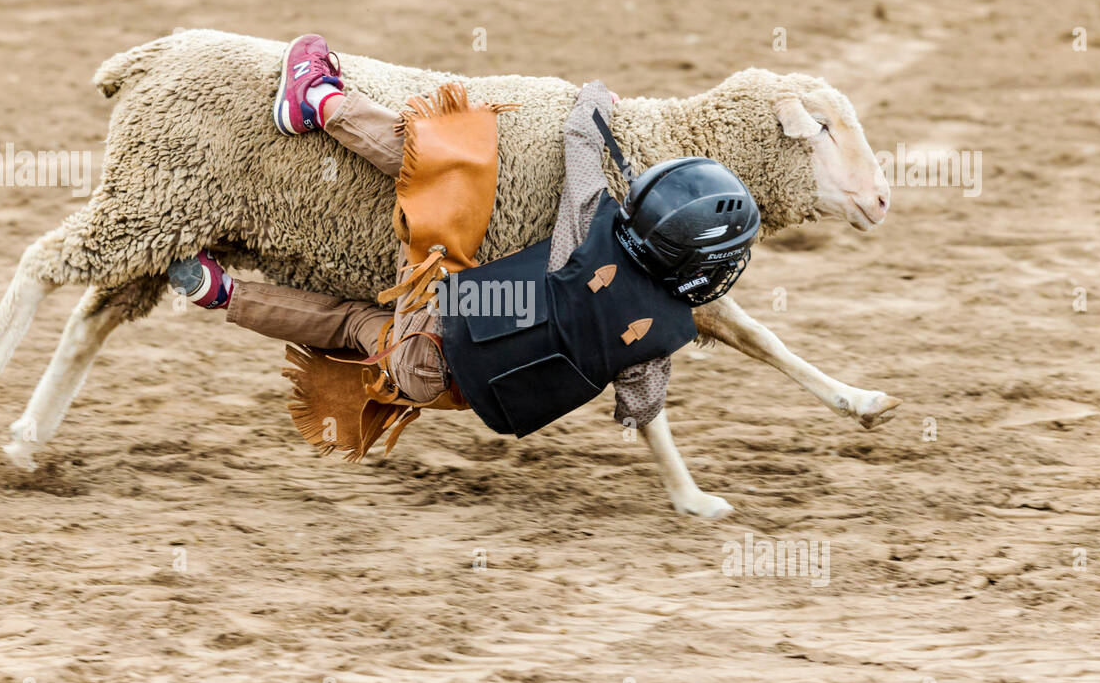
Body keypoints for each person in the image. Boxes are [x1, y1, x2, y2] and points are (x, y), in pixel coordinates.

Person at [168, 33, 761, 437]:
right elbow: (635, 411)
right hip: (446, 389)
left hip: (435, 326)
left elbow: (582, 137)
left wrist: (596, 99)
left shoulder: (590, 233)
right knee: (351, 323)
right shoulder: (662, 341)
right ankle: (219, 295)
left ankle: (319, 102)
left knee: (450, 171)